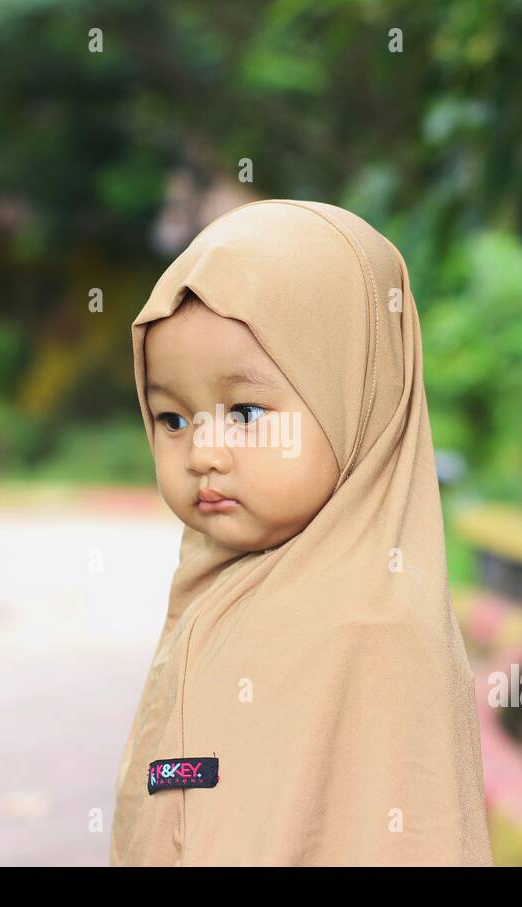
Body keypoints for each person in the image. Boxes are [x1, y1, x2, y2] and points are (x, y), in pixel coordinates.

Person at [111, 199, 493, 866]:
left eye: (248, 412)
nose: (203, 451)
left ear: (357, 394)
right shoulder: (211, 593)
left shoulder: (376, 635)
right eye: (172, 418)